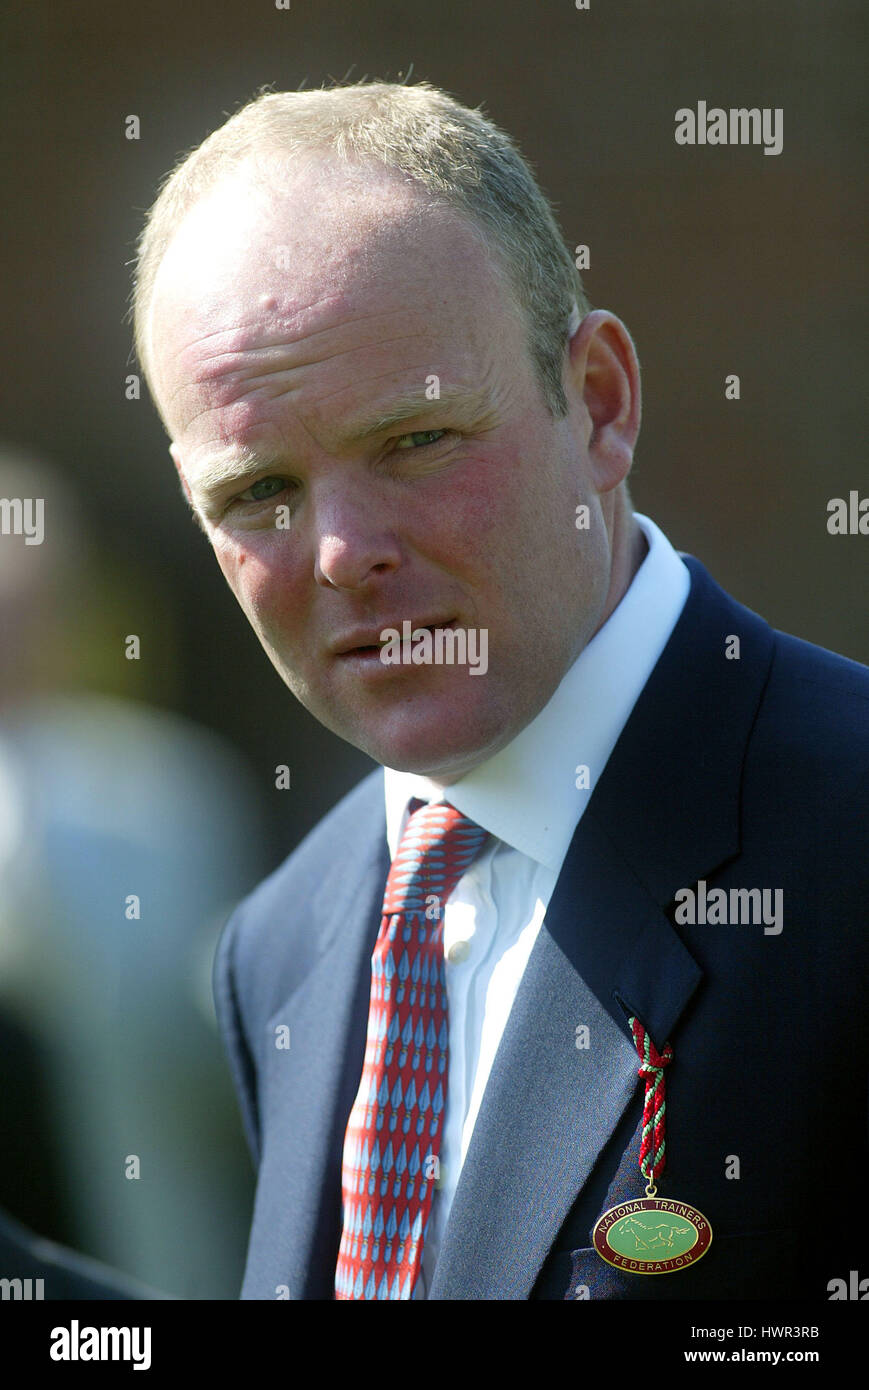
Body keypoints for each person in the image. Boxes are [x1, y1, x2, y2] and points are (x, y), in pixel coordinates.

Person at [131, 80, 868, 1300]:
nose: (339, 550)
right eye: (257, 491)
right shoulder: (281, 942)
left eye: (414, 441)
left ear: (597, 405)